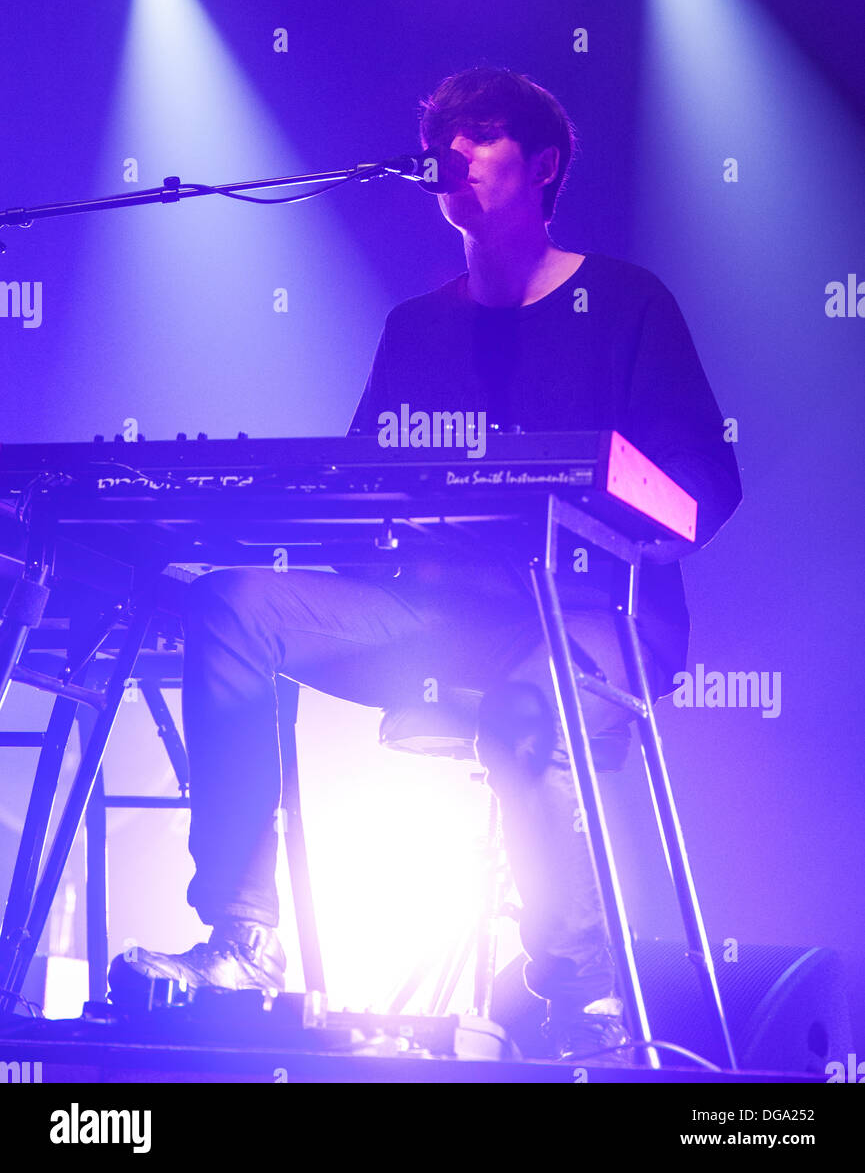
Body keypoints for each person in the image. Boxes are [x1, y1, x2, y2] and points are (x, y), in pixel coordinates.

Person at [109, 67, 742, 1062]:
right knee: (232, 609)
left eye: (481, 134)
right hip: (435, 623)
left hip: (593, 617)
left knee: (524, 714)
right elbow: (365, 504)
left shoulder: (626, 302)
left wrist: (595, 481)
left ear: (542, 165)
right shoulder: (418, 326)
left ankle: (577, 986)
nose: (453, 151)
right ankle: (243, 939)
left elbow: (709, 488)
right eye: (444, 135)